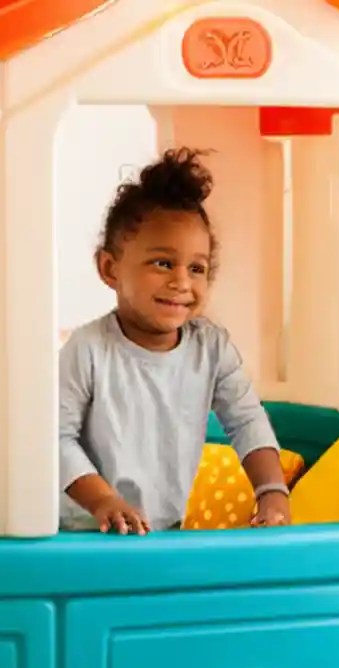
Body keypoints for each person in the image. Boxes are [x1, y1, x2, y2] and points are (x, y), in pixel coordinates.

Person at [58, 147, 290, 535]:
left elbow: (247, 419)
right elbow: (56, 439)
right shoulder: (88, 349)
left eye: (196, 268)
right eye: (163, 263)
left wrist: (272, 491)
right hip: (83, 533)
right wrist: (103, 501)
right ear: (110, 268)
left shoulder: (211, 348)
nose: (181, 282)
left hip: (163, 532)